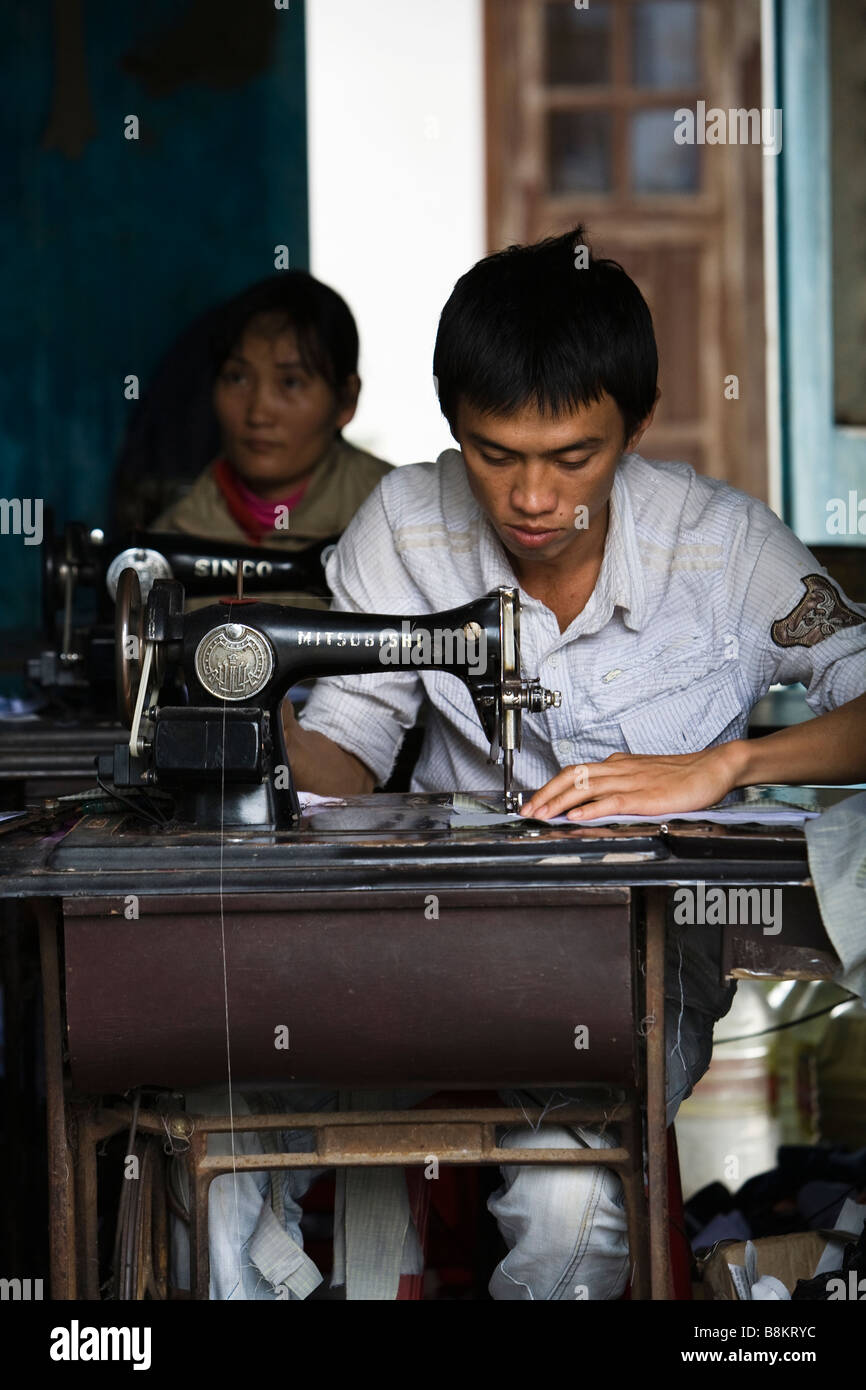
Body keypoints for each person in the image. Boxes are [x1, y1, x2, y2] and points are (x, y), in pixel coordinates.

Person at [176, 226, 866, 1300]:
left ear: (634, 426)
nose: (531, 498)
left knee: (567, 1214)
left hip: (629, 959)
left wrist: (723, 763)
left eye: (571, 458)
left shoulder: (721, 547)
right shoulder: (409, 521)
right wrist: (241, 733)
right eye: (494, 457)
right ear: (455, 429)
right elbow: (353, 743)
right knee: (223, 1131)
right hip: (431, 931)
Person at [150, 272, 392, 608]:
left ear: (346, 400)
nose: (258, 413)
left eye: (291, 383)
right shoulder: (171, 542)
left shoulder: (395, 522)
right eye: (237, 378)